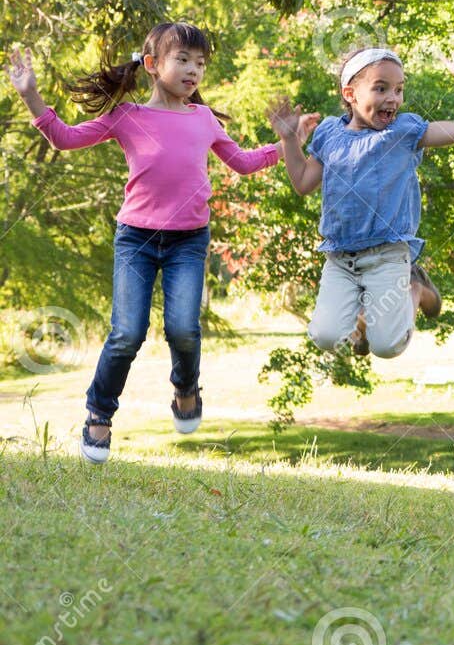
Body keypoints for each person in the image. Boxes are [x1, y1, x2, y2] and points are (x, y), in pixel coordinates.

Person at [7, 27, 282, 462]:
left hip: (189, 241)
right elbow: (64, 137)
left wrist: (285, 143)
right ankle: (99, 414)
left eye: (200, 63)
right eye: (185, 60)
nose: (194, 70)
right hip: (136, 239)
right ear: (153, 65)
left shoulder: (204, 120)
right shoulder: (127, 116)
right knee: (127, 334)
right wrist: (30, 96)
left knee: (183, 330)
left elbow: (243, 163)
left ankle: (186, 388)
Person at [271, 47, 454, 361]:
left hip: (387, 253)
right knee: (326, 337)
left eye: (398, 89)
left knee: (386, 346)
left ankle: (414, 288)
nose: (393, 98)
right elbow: (302, 182)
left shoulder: (403, 132)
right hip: (340, 255)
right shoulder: (329, 133)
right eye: (381, 88)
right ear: (350, 94)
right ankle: (364, 320)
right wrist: (288, 141)